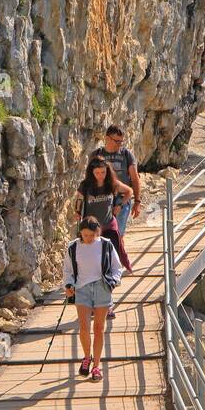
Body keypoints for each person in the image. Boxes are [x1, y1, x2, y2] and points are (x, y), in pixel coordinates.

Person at [62, 216, 123, 383]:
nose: (88, 238)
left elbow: (117, 267)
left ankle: (96, 365)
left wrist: (113, 283)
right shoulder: (73, 247)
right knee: (83, 328)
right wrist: (68, 285)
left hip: (102, 287)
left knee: (99, 328)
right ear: (80, 232)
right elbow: (67, 270)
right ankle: (86, 357)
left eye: (91, 235)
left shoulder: (105, 244)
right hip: (81, 289)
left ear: (97, 232)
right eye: (85, 235)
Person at [74, 154, 134, 317]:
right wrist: (77, 213)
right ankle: (94, 303)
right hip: (92, 231)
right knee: (93, 268)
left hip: (108, 228)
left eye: (103, 172)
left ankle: (107, 305)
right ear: (91, 172)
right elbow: (78, 201)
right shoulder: (86, 186)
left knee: (106, 267)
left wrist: (119, 206)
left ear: (107, 171)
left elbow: (129, 191)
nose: (100, 175)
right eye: (97, 172)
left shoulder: (112, 183)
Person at [90, 124, 141, 240]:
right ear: (107, 138)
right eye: (117, 141)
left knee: (118, 234)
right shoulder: (97, 155)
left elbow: (135, 179)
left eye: (121, 141)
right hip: (101, 199)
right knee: (100, 233)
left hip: (122, 198)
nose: (120, 144)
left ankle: (119, 256)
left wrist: (137, 202)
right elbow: (90, 177)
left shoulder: (126, 155)